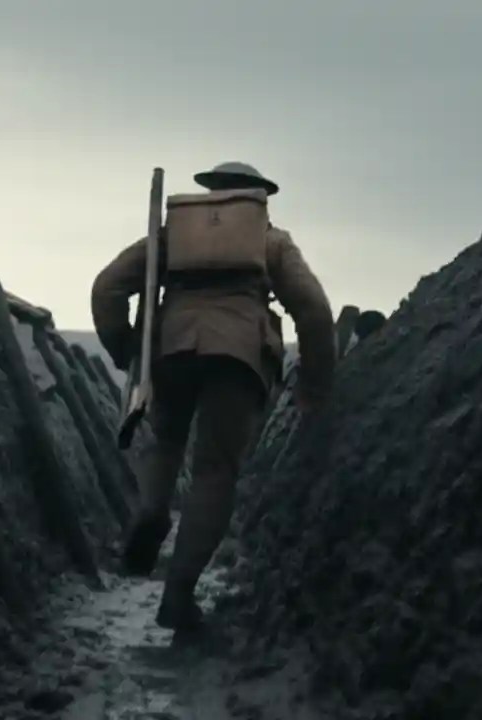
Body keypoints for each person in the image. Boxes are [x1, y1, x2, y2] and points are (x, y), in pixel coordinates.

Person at [90, 161, 336, 631]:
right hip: (237, 356)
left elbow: (107, 288)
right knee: (215, 471)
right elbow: (314, 310)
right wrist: (316, 384)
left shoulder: (171, 237)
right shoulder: (271, 242)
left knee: (166, 441)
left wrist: (126, 350)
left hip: (171, 349)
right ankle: (178, 596)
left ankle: (152, 510)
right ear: (258, 198)